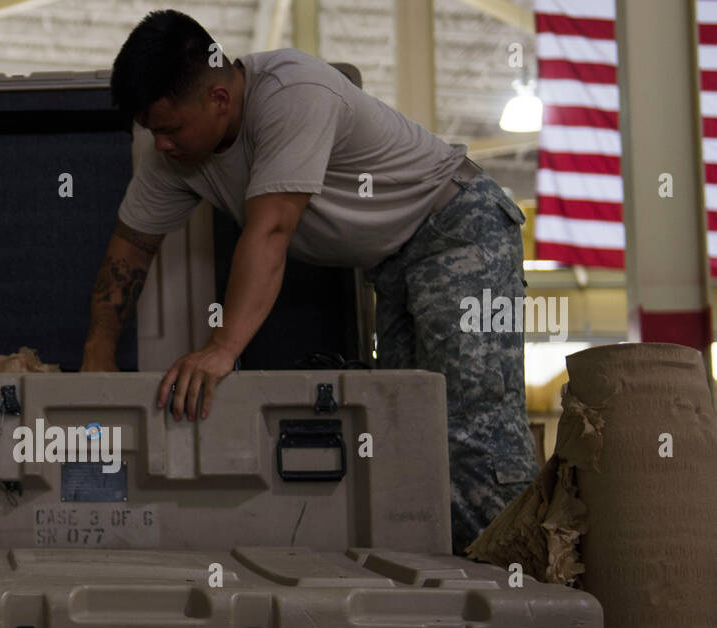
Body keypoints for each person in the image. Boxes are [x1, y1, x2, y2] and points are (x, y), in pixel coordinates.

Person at [81, 9, 539, 554]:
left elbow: (271, 229)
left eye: (170, 128)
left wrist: (222, 349)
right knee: (407, 426)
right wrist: (98, 352)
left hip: (458, 227)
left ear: (219, 99)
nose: (162, 146)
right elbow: (131, 248)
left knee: (471, 429)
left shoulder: (292, 93)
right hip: (392, 262)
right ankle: (455, 592)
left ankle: (526, 587)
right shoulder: (177, 158)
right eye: (153, 132)